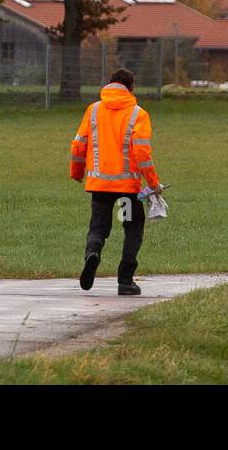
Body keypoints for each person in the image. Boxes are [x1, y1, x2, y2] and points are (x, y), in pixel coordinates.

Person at [68, 68, 162, 295]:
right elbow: (141, 153)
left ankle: (93, 253)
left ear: (110, 85)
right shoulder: (138, 114)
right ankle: (125, 280)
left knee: (99, 227)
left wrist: (77, 172)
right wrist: (153, 183)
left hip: (99, 185)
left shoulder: (93, 110)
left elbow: (78, 145)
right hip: (127, 189)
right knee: (132, 228)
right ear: (131, 88)